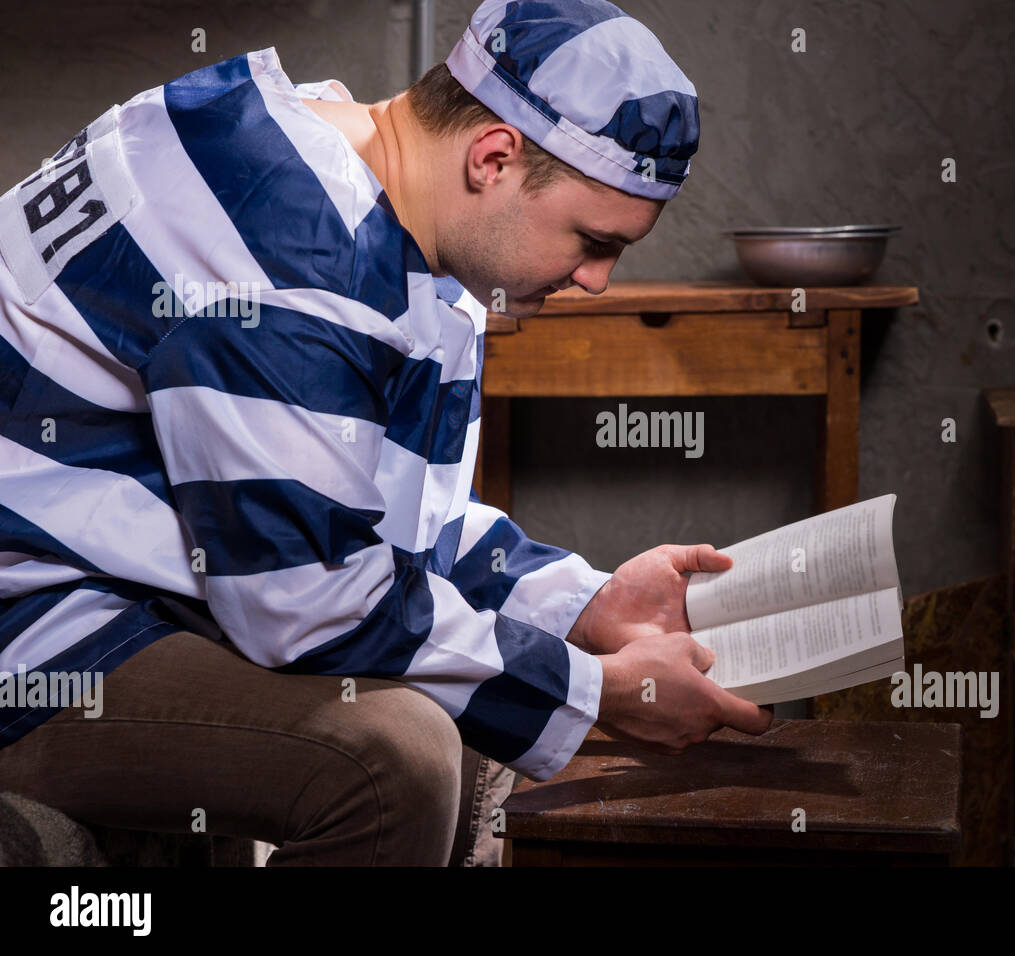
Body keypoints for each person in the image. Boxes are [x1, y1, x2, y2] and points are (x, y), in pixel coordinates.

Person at [0, 0, 772, 865]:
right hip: (26, 630)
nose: (595, 280)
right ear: (493, 156)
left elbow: (378, 515)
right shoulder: (296, 265)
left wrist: (583, 603)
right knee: (392, 757)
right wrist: (593, 693)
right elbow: (307, 607)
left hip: (90, 585)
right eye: (593, 241)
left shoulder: (335, 166)